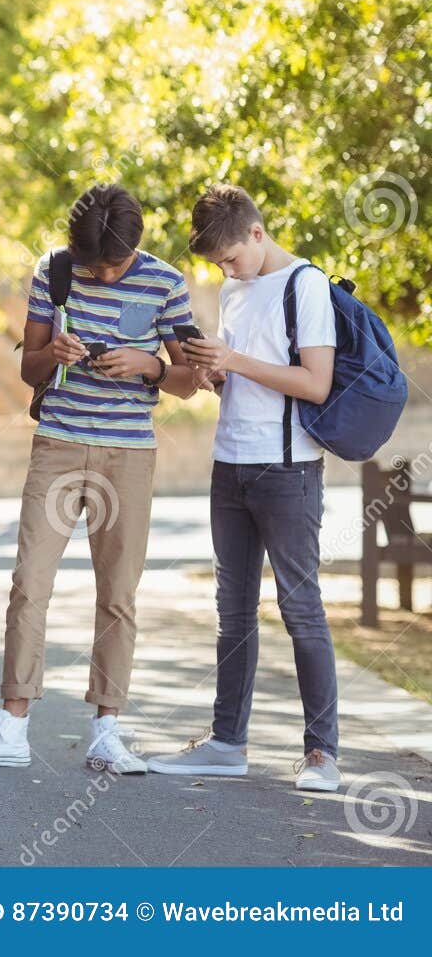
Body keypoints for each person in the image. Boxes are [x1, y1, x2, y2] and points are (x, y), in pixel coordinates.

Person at [0, 185, 199, 774]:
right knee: (29, 583)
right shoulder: (53, 270)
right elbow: (28, 367)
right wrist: (54, 351)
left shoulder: (165, 283)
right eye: (93, 265)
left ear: (135, 245)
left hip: (128, 454)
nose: (102, 275)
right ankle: (11, 728)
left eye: (113, 265)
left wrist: (151, 366)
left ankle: (107, 730)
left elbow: (190, 379)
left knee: (118, 595)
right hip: (57, 445)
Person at [148, 185, 341, 792]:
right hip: (228, 465)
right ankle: (228, 743)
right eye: (218, 264)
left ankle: (321, 755)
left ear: (257, 233)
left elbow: (315, 383)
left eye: (231, 257)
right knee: (232, 613)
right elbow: (239, 382)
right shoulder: (235, 290)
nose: (227, 271)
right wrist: (211, 374)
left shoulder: (305, 285)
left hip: (287, 471)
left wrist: (233, 360)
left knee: (300, 610)